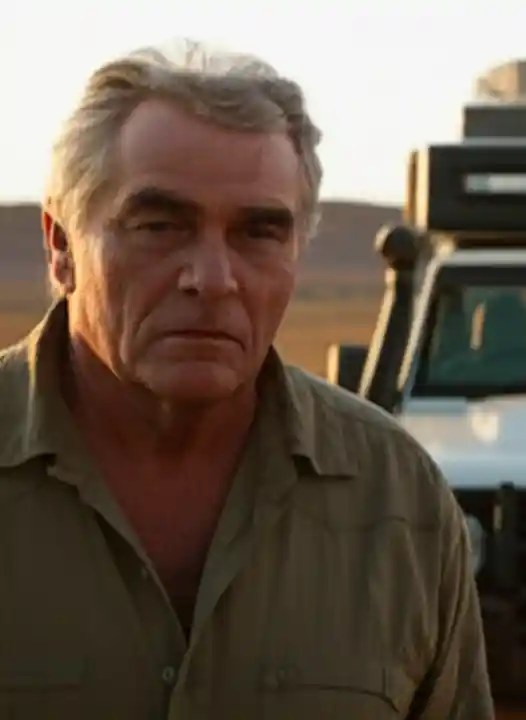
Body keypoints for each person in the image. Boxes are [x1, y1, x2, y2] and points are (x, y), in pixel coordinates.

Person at [0, 42, 494, 719]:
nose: (212, 278)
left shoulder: (396, 500)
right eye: (159, 226)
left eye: (258, 234)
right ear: (61, 247)